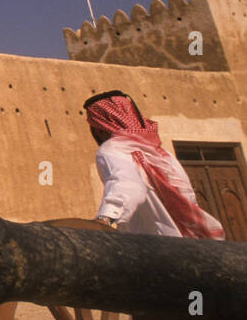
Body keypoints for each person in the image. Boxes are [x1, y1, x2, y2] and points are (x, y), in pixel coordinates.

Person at [83, 89, 243, 320]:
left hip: (161, 264)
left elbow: (129, 188)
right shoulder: (157, 150)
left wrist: (104, 223)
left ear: (101, 124)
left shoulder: (112, 152)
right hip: (200, 255)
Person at [84, 90, 224, 239]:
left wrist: (105, 219)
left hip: (153, 243)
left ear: (99, 128)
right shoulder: (162, 153)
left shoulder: (112, 149)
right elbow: (187, 195)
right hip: (189, 240)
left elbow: (128, 185)